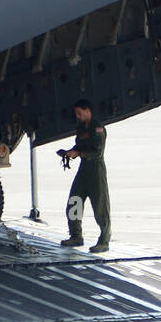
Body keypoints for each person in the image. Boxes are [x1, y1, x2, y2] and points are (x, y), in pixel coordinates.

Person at [57, 99, 110, 252]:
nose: (78, 116)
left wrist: (79, 153)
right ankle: (76, 236)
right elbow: (79, 146)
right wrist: (69, 152)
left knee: (100, 206)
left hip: (96, 169)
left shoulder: (98, 128)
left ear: (88, 111)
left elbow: (97, 152)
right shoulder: (81, 128)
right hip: (84, 169)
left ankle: (104, 241)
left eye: (80, 113)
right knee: (74, 201)